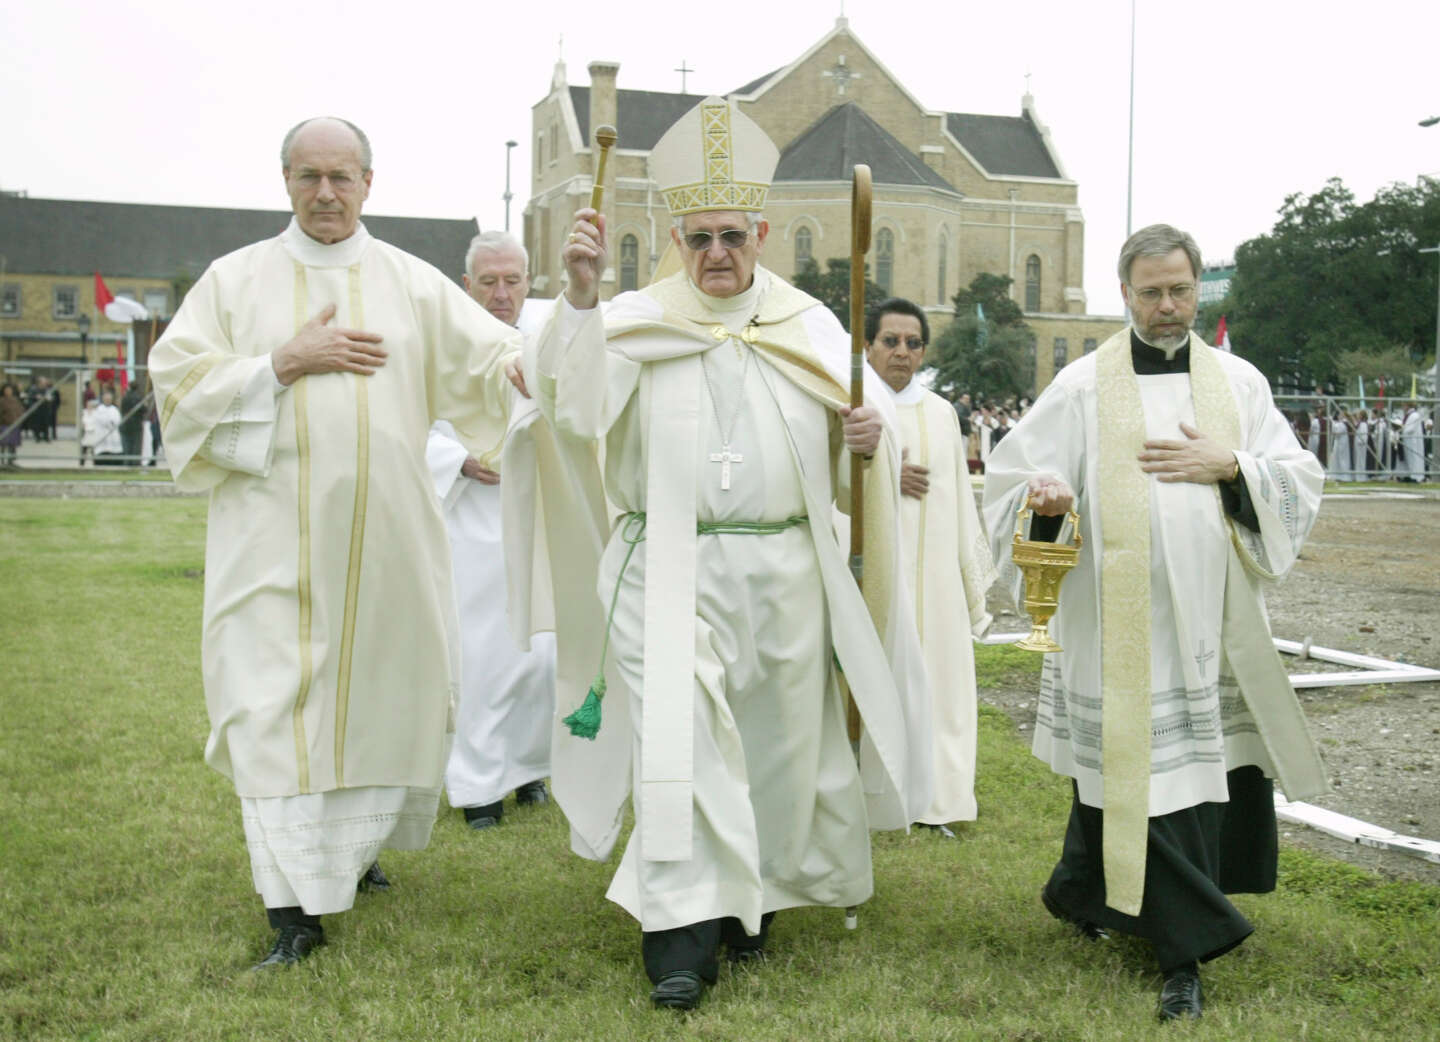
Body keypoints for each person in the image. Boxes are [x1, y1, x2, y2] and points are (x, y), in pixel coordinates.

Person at [507, 96, 930, 1010]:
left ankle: (755, 901)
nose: (714, 255)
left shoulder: (808, 322)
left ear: (762, 232)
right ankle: (678, 937)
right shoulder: (633, 318)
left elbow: (872, 431)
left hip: (783, 571)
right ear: (674, 235)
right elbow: (570, 408)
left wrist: (866, 434)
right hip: (666, 569)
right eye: (697, 238)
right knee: (681, 739)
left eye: (730, 237)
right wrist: (578, 300)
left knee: (776, 747)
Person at [148, 116, 522, 970]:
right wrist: (280, 363)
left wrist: (526, 369)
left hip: (386, 550)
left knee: (375, 703)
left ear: (368, 183)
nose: (325, 192)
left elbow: (488, 359)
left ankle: (346, 857)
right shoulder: (234, 281)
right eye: (309, 176)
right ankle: (291, 912)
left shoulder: (410, 282)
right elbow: (177, 386)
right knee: (270, 710)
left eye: (341, 177)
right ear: (285, 181)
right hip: (269, 551)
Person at [983, 224, 1327, 1022]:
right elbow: (1011, 484)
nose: (1167, 307)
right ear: (1125, 294)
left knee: (1182, 776)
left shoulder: (1238, 383)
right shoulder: (1080, 387)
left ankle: (1081, 889)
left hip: (1209, 622)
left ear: (1197, 289)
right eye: (1150, 293)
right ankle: (1186, 951)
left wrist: (1233, 467)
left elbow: (1298, 481)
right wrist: (1046, 505)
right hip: (1115, 621)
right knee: (1137, 771)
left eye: (1179, 290)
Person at [426, 230, 556, 831]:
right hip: (472, 519)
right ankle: (476, 784)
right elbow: (409, 420)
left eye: (512, 280)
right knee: (481, 657)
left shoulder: (550, 335)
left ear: (529, 281)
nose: (501, 294)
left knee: (539, 655)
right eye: (488, 282)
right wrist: (455, 460)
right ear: (466, 284)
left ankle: (528, 767)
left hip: (538, 518)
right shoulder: (439, 340)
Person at [864, 297, 995, 833]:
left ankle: (937, 796)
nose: (901, 352)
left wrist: (968, 576)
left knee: (938, 678)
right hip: (872, 576)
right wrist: (879, 479)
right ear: (867, 347)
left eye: (913, 343)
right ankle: (873, 795)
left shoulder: (942, 413)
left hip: (935, 576)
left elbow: (961, 502)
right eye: (890, 341)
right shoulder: (849, 408)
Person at [92, 390, 124, 465]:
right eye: (106, 399)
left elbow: (117, 420)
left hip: (113, 438)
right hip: (102, 437)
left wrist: (111, 422)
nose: (108, 400)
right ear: (103, 399)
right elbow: (101, 420)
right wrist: (109, 422)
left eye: (109, 399)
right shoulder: (99, 409)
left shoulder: (114, 410)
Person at [120, 381, 146, 464]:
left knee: (127, 446)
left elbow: (122, 409)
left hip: (126, 424)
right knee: (136, 446)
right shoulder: (138, 398)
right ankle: (135, 463)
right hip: (136, 425)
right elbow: (144, 410)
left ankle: (127, 463)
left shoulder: (125, 397)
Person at [1399, 402, 1426, 482]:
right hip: (1408, 440)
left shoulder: (1414, 415)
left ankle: (1416, 477)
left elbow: (1411, 429)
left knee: (1415, 458)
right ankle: (1411, 475)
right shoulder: (1408, 415)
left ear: (1408, 406)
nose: (1403, 407)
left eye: (1404, 405)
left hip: (1413, 441)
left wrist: (1402, 429)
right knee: (1409, 459)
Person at [0, 383, 23, 466]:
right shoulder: (1, 401)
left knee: (12, 444)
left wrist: (19, 418)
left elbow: (20, 410)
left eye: (10, 390)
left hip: (15, 424)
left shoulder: (15, 400)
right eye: (7, 390)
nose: (8, 391)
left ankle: (11, 460)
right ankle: (2, 460)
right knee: (4, 443)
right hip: (4, 425)